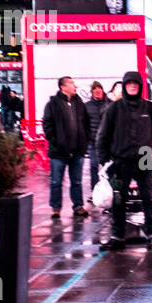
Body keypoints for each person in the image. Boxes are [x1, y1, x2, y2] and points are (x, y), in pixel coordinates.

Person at [97, 71, 152, 251]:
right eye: (129, 84)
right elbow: (103, 135)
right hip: (120, 160)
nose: (132, 86)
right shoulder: (114, 108)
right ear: (125, 86)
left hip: (145, 156)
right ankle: (117, 236)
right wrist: (104, 161)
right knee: (119, 199)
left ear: (140, 86)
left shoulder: (149, 108)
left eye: (135, 84)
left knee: (148, 198)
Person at [42, 75, 91, 219]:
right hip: (59, 151)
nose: (75, 86)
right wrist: (56, 141)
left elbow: (86, 123)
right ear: (63, 87)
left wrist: (85, 140)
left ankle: (78, 206)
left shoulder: (79, 103)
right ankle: (55, 208)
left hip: (77, 150)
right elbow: (47, 125)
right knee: (56, 181)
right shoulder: (53, 104)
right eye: (71, 83)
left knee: (77, 181)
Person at [83, 81, 111, 191]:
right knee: (93, 166)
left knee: (108, 167)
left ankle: (109, 189)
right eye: (95, 90)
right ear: (92, 92)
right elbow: (84, 123)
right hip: (93, 141)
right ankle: (95, 190)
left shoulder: (109, 104)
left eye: (99, 89)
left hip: (107, 142)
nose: (97, 92)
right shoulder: (87, 106)